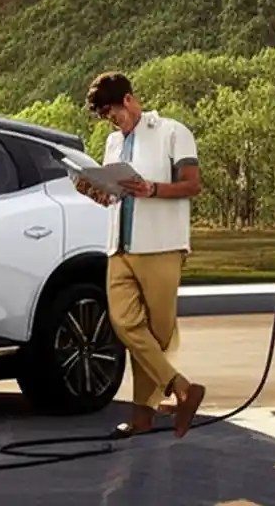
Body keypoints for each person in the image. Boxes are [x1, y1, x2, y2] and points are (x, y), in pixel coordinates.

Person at [74, 71, 206, 439]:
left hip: (161, 246)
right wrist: (98, 192)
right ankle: (181, 388)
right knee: (125, 324)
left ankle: (143, 417)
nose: (110, 121)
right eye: (104, 117)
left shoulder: (173, 132)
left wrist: (152, 189)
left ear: (129, 101)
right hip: (120, 246)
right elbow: (116, 195)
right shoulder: (113, 144)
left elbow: (192, 184)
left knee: (155, 333)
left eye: (111, 113)